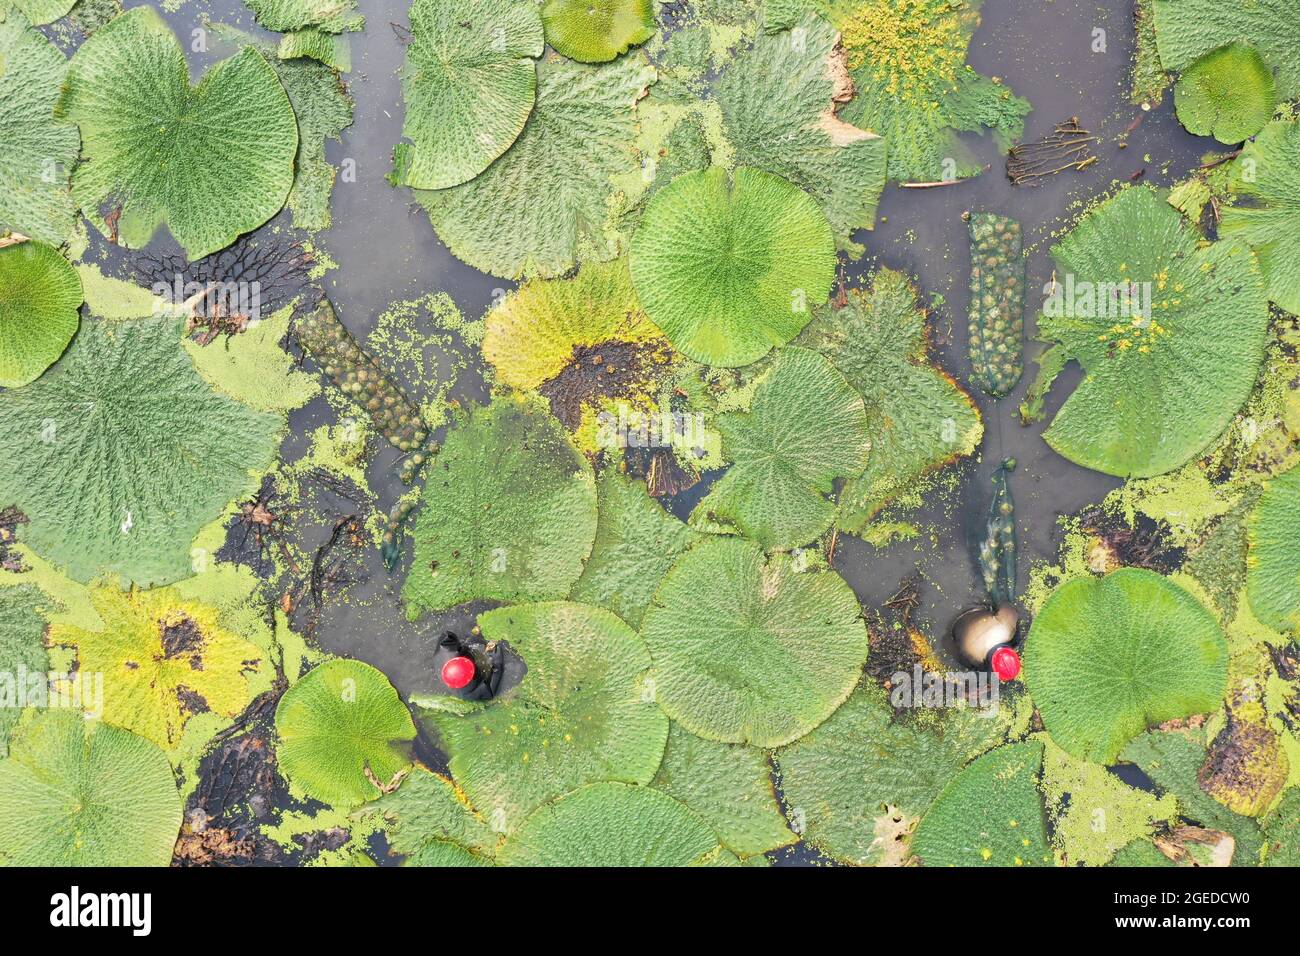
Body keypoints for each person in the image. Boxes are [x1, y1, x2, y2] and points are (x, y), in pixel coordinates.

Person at [436, 631, 504, 699]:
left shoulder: (446, 649)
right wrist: (497, 662)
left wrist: (472, 635)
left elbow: (447, 635)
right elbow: (491, 691)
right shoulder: (471, 693)